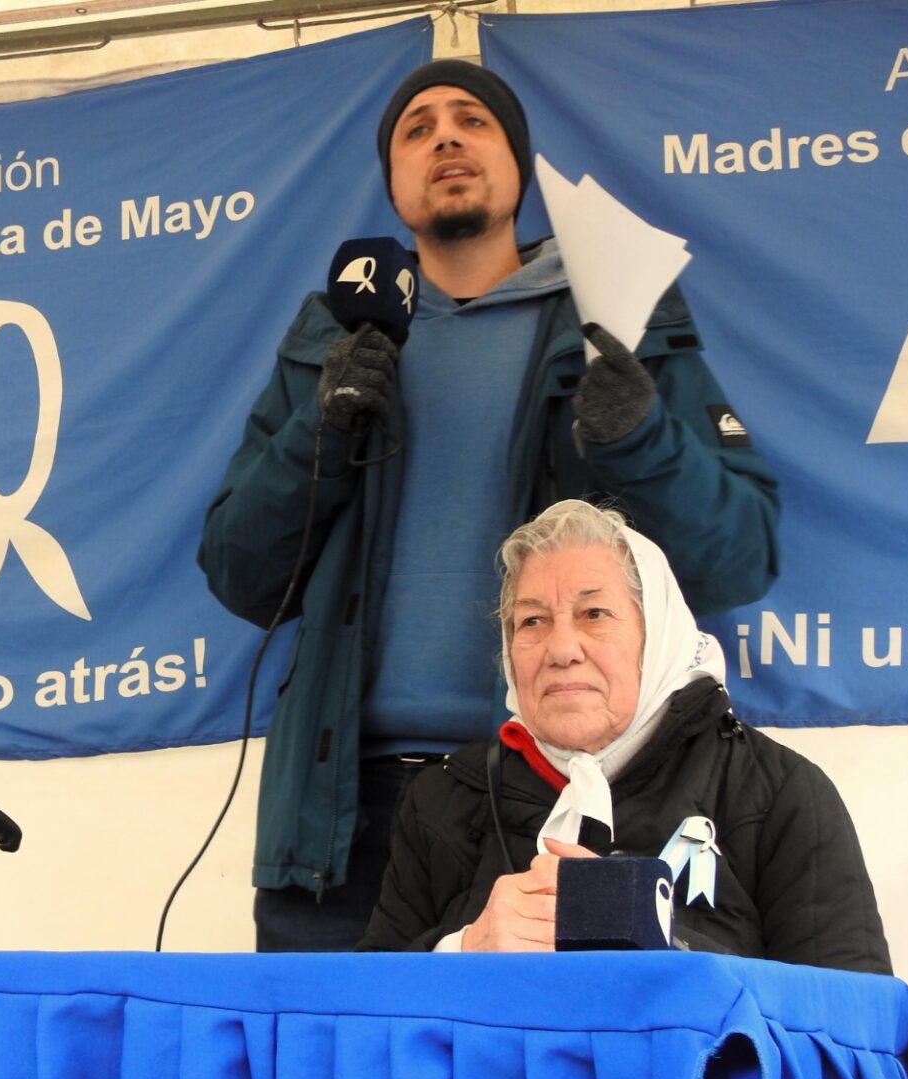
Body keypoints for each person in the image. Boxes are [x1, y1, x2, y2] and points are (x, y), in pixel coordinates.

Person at [197, 59, 780, 951]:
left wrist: (638, 440)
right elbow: (240, 572)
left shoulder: (612, 321)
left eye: (472, 119)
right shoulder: (335, 339)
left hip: (548, 794)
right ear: (393, 181)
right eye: (417, 128)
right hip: (339, 820)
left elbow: (738, 558)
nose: (446, 138)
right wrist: (322, 427)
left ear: (519, 163)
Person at [359, 501, 888, 973]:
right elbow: (360, 1024)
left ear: (655, 636)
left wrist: (662, 946)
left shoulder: (778, 793)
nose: (560, 648)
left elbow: (851, 1029)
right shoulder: (444, 800)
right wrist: (462, 951)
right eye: (532, 621)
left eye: (594, 614)